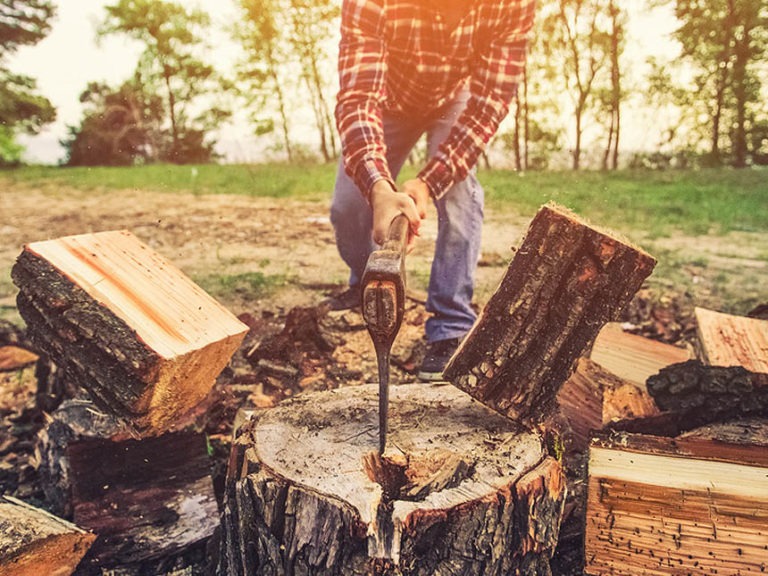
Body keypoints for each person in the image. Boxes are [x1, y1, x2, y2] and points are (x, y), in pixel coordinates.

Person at [329, 0, 535, 381]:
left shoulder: (512, 4)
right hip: (386, 98)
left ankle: (452, 324)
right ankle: (368, 282)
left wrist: (428, 182)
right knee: (347, 207)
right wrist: (377, 186)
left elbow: (490, 103)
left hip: (454, 100)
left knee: (460, 199)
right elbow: (358, 98)